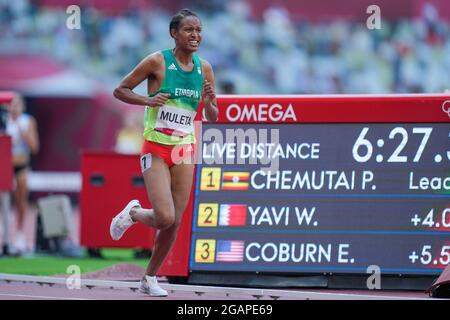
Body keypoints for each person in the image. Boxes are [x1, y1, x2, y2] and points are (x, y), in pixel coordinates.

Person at [110, 8, 218, 297]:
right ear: (174, 33)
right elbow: (120, 90)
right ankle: (133, 213)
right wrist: (148, 100)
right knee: (165, 217)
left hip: (184, 149)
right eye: (189, 30)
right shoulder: (157, 61)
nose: (195, 35)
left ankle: (149, 278)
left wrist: (209, 101)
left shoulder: (204, 68)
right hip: (156, 147)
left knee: (176, 222)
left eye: (199, 30)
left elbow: (213, 115)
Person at [6, 94, 39, 254]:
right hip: (5, 165)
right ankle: (4, 230)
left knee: (21, 198)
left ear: (23, 106)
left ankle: (19, 233)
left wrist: (22, 132)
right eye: (12, 104)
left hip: (21, 164)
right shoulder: (4, 121)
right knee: (3, 198)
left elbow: (34, 147)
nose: (14, 107)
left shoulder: (27, 121)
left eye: (17, 104)